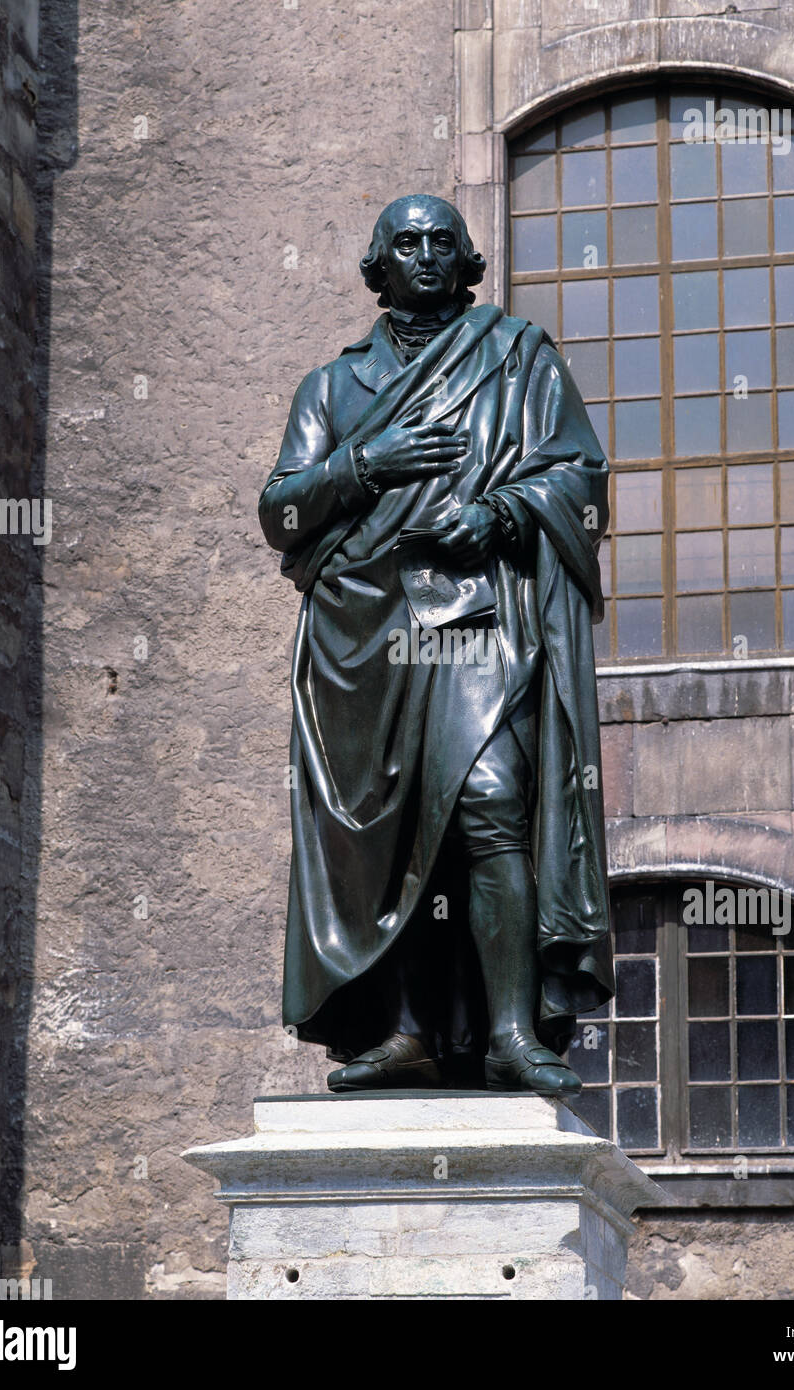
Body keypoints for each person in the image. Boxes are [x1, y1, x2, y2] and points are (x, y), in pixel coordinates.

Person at [258, 195, 614, 1095]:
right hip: (362, 634)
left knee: (490, 802)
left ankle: (508, 1033)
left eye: (441, 243)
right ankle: (408, 1031)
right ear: (378, 266)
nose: (424, 256)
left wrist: (497, 513)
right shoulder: (332, 389)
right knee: (394, 834)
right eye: (405, 244)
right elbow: (281, 511)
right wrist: (363, 465)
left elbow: (577, 472)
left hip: (474, 620)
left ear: (467, 262)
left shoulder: (518, 360)